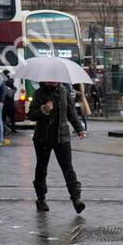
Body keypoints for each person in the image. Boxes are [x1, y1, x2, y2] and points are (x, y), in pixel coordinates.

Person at [27, 78, 86, 213]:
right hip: (43, 138)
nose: (54, 81)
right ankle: (41, 199)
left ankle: (76, 199)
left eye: (56, 79)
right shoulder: (39, 94)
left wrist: (79, 129)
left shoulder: (64, 91)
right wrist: (43, 109)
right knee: (41, 169)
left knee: (68, 168)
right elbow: (31, 115)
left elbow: (71, 113)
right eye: (50, 79)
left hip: (62, 137)